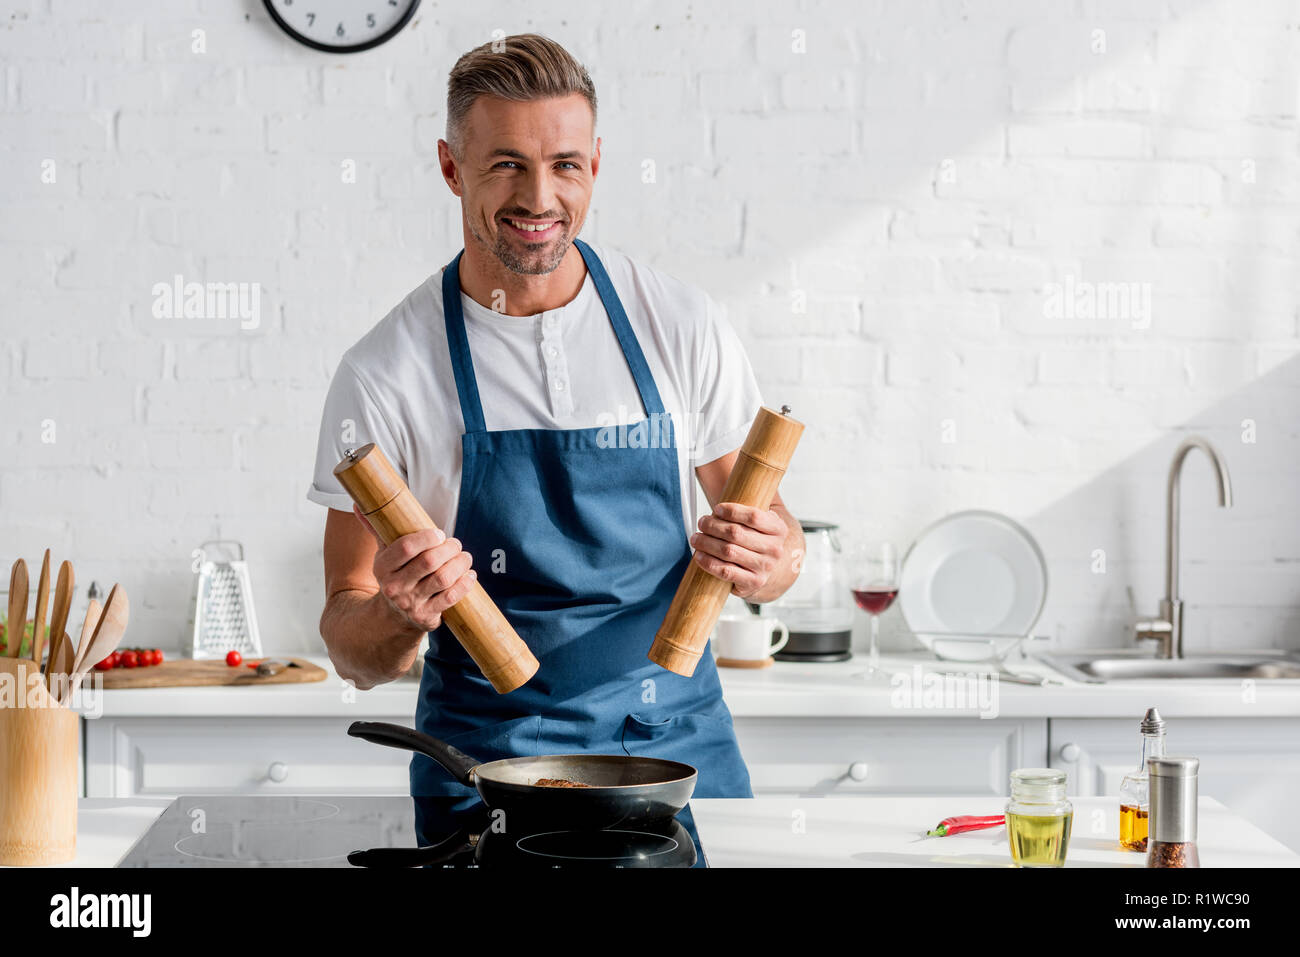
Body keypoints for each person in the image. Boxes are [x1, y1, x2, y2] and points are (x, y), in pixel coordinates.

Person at [308, 34, 804, 802]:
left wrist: (774, 562)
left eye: (565, 165)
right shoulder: (384, 374)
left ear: (596, 165)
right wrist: (397, 616)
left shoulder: (680, 324)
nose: (539, 198)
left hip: (675, 755)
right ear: (450, 167)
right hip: (487, 771)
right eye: (506, 163)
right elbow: (351, 646)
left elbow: (777, 551)